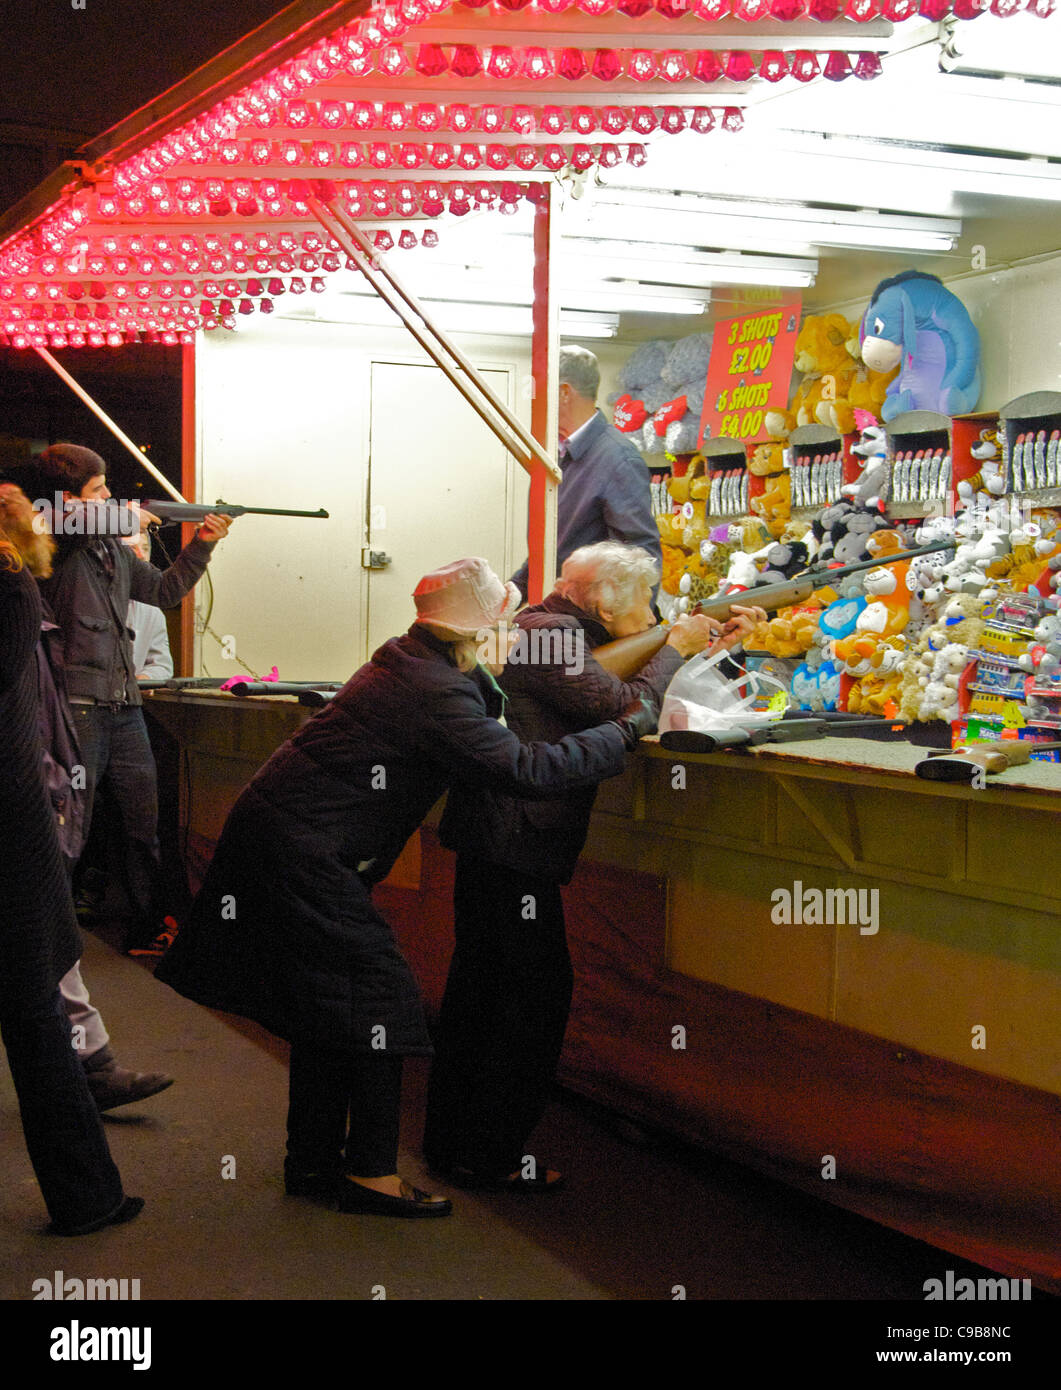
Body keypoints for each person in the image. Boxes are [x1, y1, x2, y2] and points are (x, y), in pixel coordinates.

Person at [156, 557, 658, 1219]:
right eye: (500, 621)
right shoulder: (435, 689)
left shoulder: (410, 660)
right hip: (307, 852)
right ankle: (369, 1172)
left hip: (290, 840)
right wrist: (622, 730)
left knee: (327, 1006)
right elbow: (527, 769)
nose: (509, 631)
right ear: (474, 630)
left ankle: (310, 1162)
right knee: (377, 999)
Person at [426, 542, 764, 1190]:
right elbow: (622, 710)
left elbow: (629, 690)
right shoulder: (549, 637)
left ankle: (456, 1144)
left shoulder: (541, 628)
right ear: (605, 599)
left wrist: (705, 643)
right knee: (528, 1003)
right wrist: (674, 647)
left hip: (498, 837)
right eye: (643, 600)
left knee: (481, 994)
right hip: (515, 839)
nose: (650, 612)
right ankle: (489, 1154)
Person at [0, 480, 174, 1113]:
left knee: (44, 940)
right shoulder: (19, 586)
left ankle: (92, 1066)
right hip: (19, 791)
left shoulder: (36, 583)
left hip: (27, 783)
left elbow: (162, 588)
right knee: (40, 935)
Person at [0, 484, 142, 1236]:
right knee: (37, 1021)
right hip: (13, 834)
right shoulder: (14, 585)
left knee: (38, 1019)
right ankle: (88, 1198)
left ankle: (90, 1196)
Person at [22, 443, 231, 952]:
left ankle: (149, 928)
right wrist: (132, 514)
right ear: (70, 496)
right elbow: (61, 520)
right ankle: (43, 939)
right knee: (68, 827)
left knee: (144, 824)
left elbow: (163, 591)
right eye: (99, 489)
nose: (110, 495)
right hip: (78, 707)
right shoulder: (53, 537)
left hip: (123, 706)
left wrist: (202, 542)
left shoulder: (112, 548)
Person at [511, 345, 663, 602]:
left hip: (591, 626)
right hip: (562, 615)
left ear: (564, 392)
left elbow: (641, 560)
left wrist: (625, 634)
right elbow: (556, 550)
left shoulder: (617, 459)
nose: (533, 400)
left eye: (538, 392)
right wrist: (513, 592)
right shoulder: (557, 455)